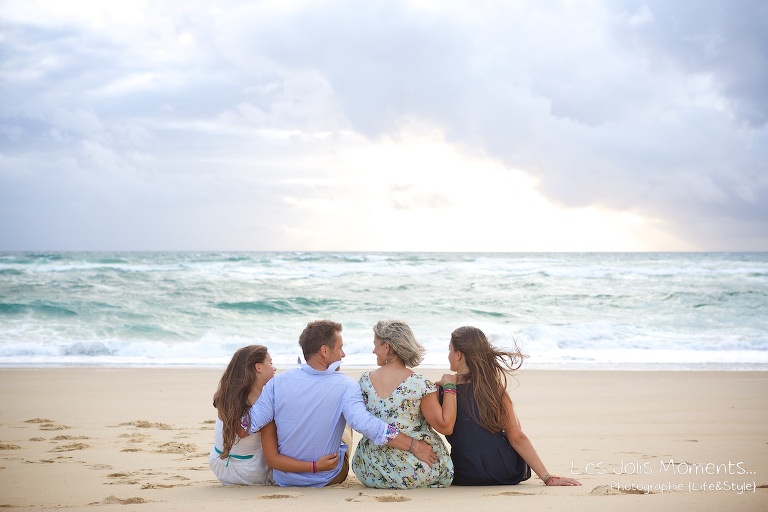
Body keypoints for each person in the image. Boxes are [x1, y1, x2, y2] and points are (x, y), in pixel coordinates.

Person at [246, 320, 438, 487]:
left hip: (284, 478)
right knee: (347, 424)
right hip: (327, 476)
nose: (343, 354)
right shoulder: (345, 385)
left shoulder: (277, 383)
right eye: (340, 348)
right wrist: (413, 445)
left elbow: (247, 425)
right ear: (324, 351)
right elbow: (367, 425)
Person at [439, 326, 581, 487]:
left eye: (449, 350)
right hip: (503, 470)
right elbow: (517, 437)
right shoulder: (493, 388)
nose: (448, 355)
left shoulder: (444, 391)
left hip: (466, 474)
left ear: (458, 354)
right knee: (510, 428)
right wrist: (547, 477)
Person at [209, 345, 338, 485]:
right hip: (249, 472)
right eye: (270, 363)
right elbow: (272, 460)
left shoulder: (224, 396)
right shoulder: (263, 409)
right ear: (258, 367)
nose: (274, 368)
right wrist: (314, 466)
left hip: (220, 466)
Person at [352, 320, 456, 488]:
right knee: (442, 468)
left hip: (369, 468)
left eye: (375, 345)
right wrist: (450, 387)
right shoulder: (419, 384)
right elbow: (445, 427)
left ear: (387, 347)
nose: (373, 350)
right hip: (413, 468)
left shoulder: (365, 381)